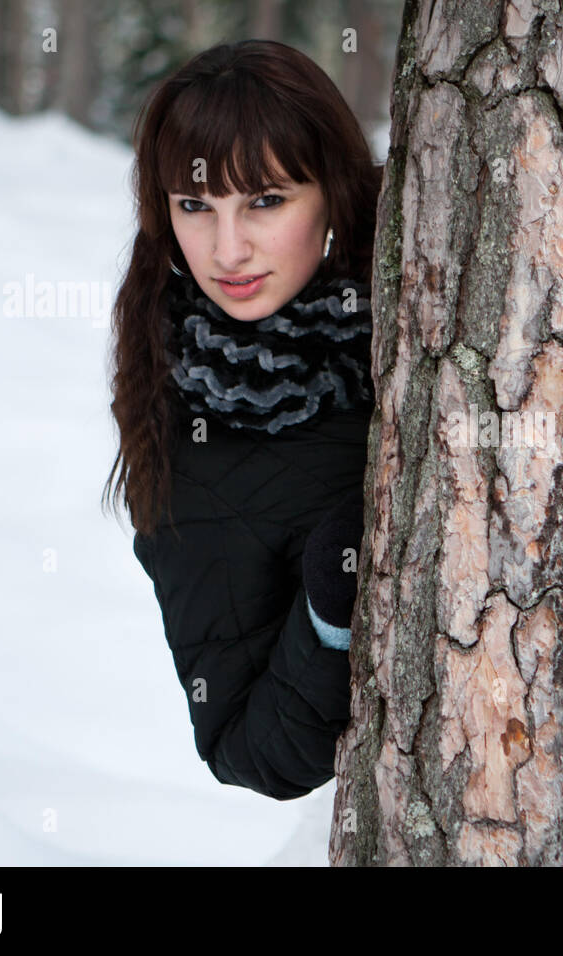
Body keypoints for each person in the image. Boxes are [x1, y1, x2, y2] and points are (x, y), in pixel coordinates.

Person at [101, 39, 382, 800]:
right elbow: (245, 748)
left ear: (333, 188)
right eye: (196, 207)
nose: (229, 250)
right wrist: (333, 616)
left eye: (265, 200)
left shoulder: (428, 297)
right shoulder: (187, 436)